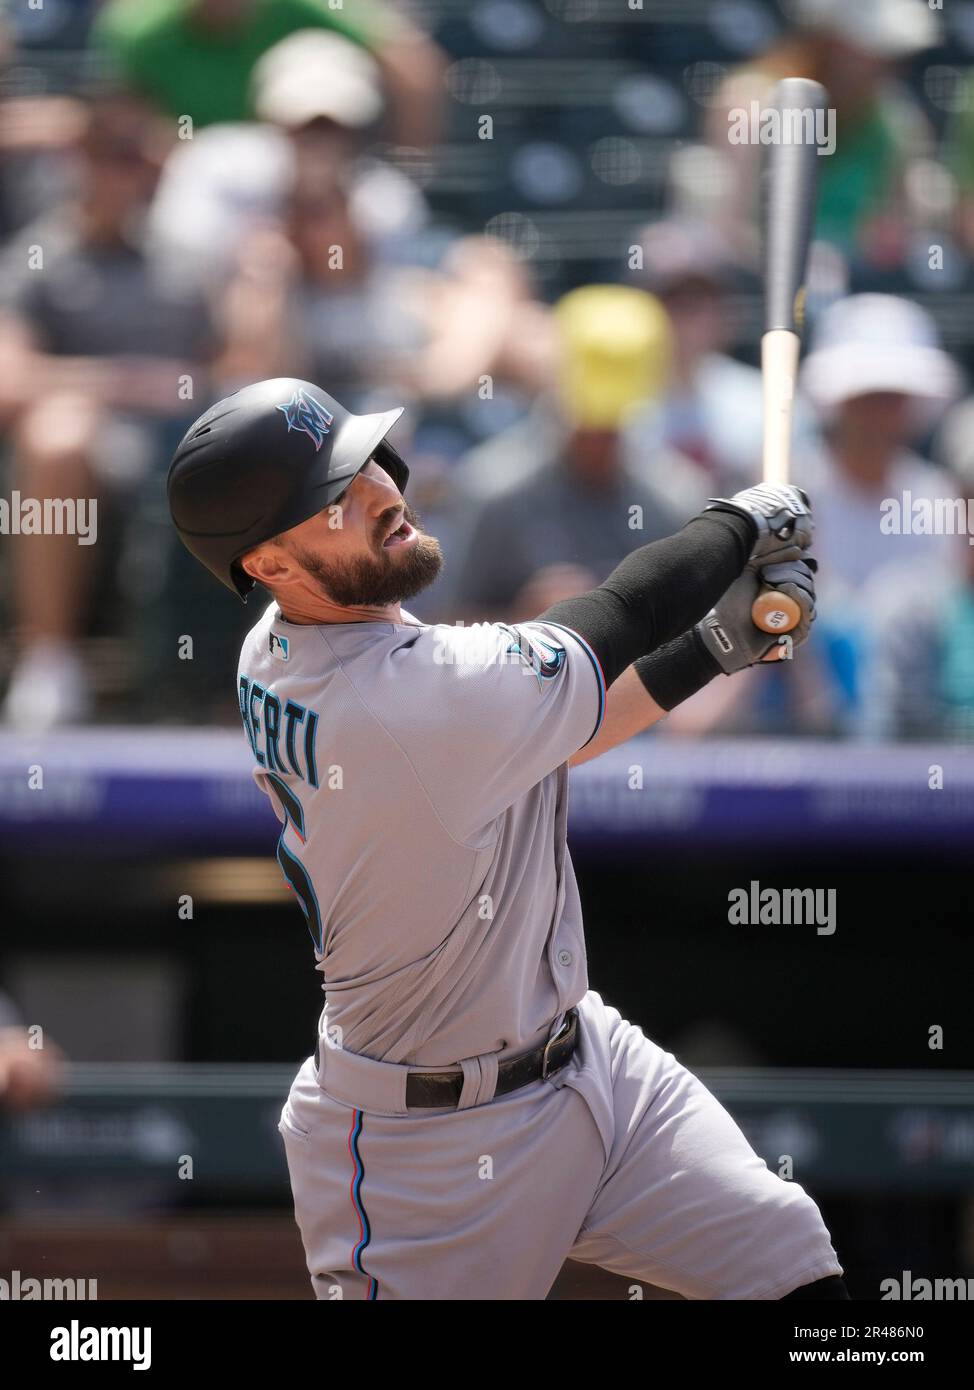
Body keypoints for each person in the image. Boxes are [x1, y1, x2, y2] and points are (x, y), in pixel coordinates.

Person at [166, 375, 848, 1301]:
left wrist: (722, 644)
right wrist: (738, 524)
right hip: (427, 1152)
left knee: (788, 1266)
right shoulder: (394, 700)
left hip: (586, 1062)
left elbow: (547, 730)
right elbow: (602, 628)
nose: (378, 492)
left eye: (365, 462)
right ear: (269, 565)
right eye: (333, 498)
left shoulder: (303, 637)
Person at [0, 94, 218, 729]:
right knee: (59, 434)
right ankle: (50, 664)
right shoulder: (34, 259)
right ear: (82, 162)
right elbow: (12, 380)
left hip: (187, 442)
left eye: (143, 161)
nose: (132, 175)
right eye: (116, 158)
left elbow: (233, 370)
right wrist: (127, 382)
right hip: (79, 456)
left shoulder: (187, 263)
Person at [447, 285, 687, 620]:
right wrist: (528, 621)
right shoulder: (491, 489)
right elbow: (438, 628)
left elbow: (700, 630)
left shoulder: (675, 498)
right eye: (590, 424)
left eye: (612, 425)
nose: (601, 438)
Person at [708, 0, 938, 272]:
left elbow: (896, 225)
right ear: (829, 42)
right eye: (866, 52)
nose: (883, 67)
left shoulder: (893, 119)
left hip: (857, 279)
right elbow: (729, 228)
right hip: (759, 274)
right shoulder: (751, 104)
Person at [92, 0, 445, 148]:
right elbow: (123, 127)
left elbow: (413, 66)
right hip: (184, 191)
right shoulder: (137, 31)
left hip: (302, 194)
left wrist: (408, 169)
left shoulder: (305, 7)